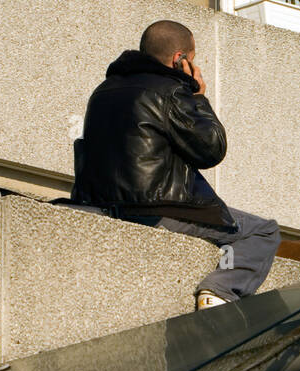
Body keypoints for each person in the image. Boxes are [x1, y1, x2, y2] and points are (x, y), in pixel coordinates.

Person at [69, 19, 280, 307]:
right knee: (262, 230)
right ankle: (220, 290)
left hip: (99, 205)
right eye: (192, 60)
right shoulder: (172, 91)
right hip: (156, 209)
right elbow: (211, 149)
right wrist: (199, 98)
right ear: (179, 59)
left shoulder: (102, 91)